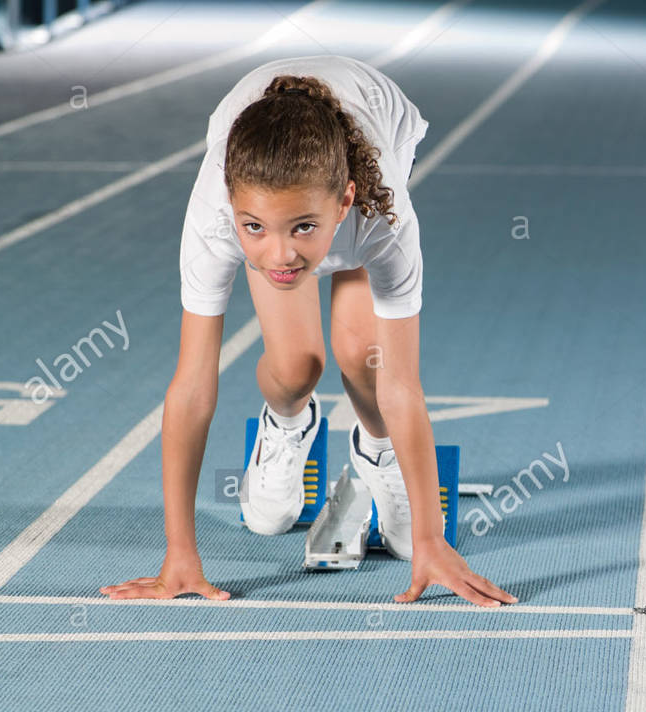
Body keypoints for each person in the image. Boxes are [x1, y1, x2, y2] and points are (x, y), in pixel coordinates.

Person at [99, 56, 517, 607]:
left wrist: (429, 538)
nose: (279, 254)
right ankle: (287, 424)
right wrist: (180, 554)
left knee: (364, 356)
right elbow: (192, 386)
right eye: (255, 228)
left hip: (375, 134)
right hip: (285, 190)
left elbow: (402, 383)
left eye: (302, 228)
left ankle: (378, 449)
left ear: (345, 201)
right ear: (232, 207)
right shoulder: (216, 221)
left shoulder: (382, 220)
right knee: (297, 366)